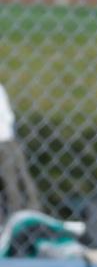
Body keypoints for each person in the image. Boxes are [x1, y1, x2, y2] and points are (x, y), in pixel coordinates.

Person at [0, 82, 41, 222]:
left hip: (6, 139)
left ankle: (27, 211)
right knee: (12, 179)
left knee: (16, 177)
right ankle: (17, 213)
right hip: (8, 138)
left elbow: (7, 116)